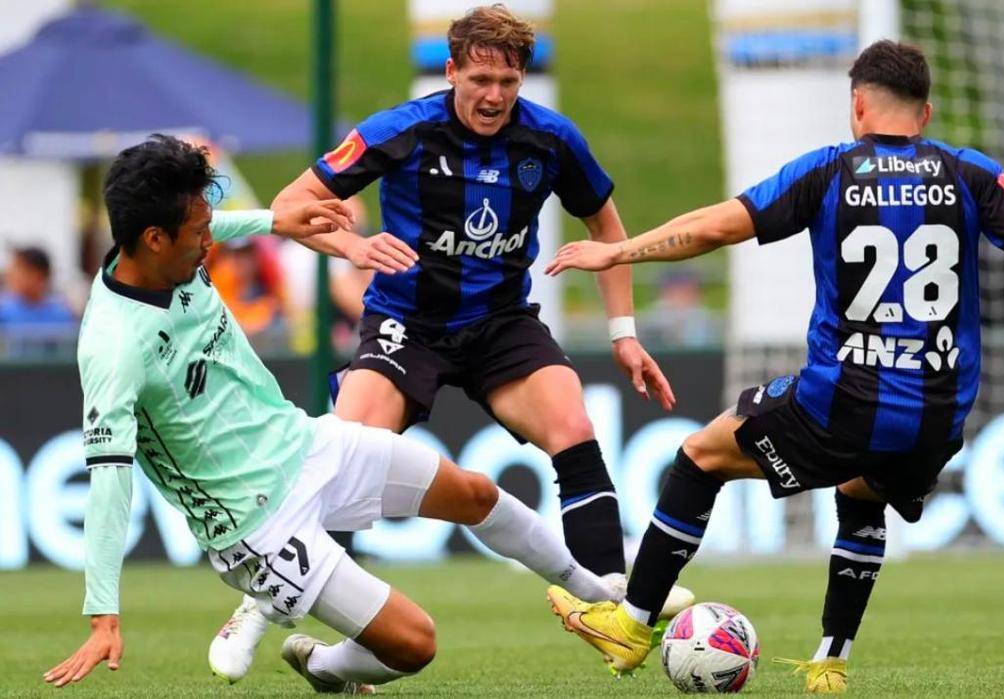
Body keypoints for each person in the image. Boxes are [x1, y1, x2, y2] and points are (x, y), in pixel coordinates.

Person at [542, 40, 1004, 694]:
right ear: (926, 112)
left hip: (843, 401)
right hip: (939, 414)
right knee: (862, 491)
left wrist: (620, 251)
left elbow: (718, 227)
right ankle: (830, 663)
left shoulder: (830, 170)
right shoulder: (970, 173)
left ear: (858, 104)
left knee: (700, 457)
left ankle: (630, 625)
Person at [208, 4, 691, 680]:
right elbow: (291, 206)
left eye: (508, 82)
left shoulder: (551, 139)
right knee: (344, 451)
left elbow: (607, 229)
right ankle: (259, 602)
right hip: (407, 323)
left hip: (501, 324)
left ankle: (615, 605)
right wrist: (351, 244)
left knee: (573, 423)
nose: (494, 96)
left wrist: (624, 334)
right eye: (480, 80)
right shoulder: (399, 131)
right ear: (451, 72)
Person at [44, 135, 618, 692]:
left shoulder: (164, 251)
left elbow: (214, 226)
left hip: (303, 443)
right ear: (154, 239)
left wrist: (276, 221)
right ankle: (322, 665)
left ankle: (601, 599)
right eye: (199, 233)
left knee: (475, 494)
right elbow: (109, 481)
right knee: (415, 644)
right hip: (256, 524)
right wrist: (104, 616)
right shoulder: (115, 347)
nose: (209, 242)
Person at [0, 246, 78, 357]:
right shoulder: (4, 312)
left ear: (39, 275)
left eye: (19, 269)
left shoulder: (62, 315)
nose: (10, 274)